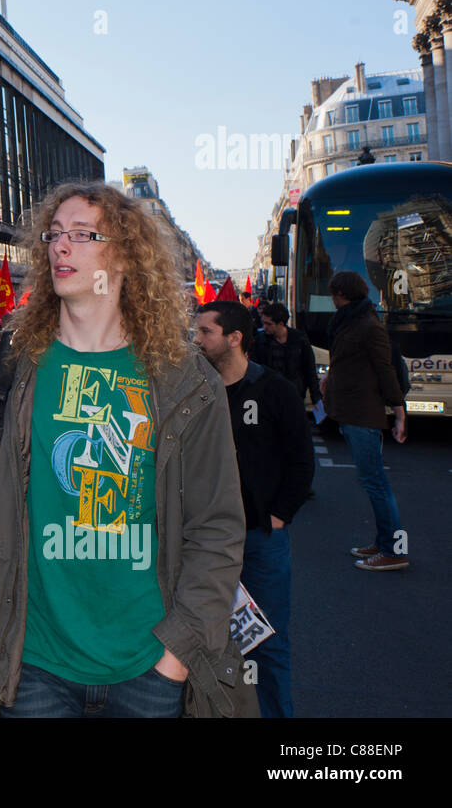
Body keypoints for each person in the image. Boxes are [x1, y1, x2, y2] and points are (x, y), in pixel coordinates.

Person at [0, 182, 248, 718]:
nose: (61, 246)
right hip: (34, 660)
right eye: (55, 234)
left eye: (83, 234)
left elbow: (217, 528)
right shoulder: (12, 367)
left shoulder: (184, 380)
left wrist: (175, 658)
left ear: (126, 256)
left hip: (149, 661)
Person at [195, 301, 313, 718]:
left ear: (234, 338)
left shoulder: (274, 390)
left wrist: (277, 516)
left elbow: (302, 461)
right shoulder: (195, 390)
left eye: (205, 332)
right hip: (204, 542)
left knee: (267, 646)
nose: (197, 340)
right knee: (200, 640)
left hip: (259, 541)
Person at [322, 270, 409, 571]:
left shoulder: (368, 326)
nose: (332, 300)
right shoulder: (352, 321)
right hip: (351, 410)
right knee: (373, 482)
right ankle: (383, 541)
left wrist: (399, 412)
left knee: (377, 484)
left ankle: (395, 551)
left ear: (341, 294)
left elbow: (386, 372)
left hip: (363, 413)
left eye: (333, 294)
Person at [252, 302, 322, 413]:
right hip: (269, 395)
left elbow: (309, 369)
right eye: (263, 323)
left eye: (268, 324)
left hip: (294, 394)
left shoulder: (299, 339)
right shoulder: (260, 341)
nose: (264, 327)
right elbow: (255, 368)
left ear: (280, 324)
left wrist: (316, 397)